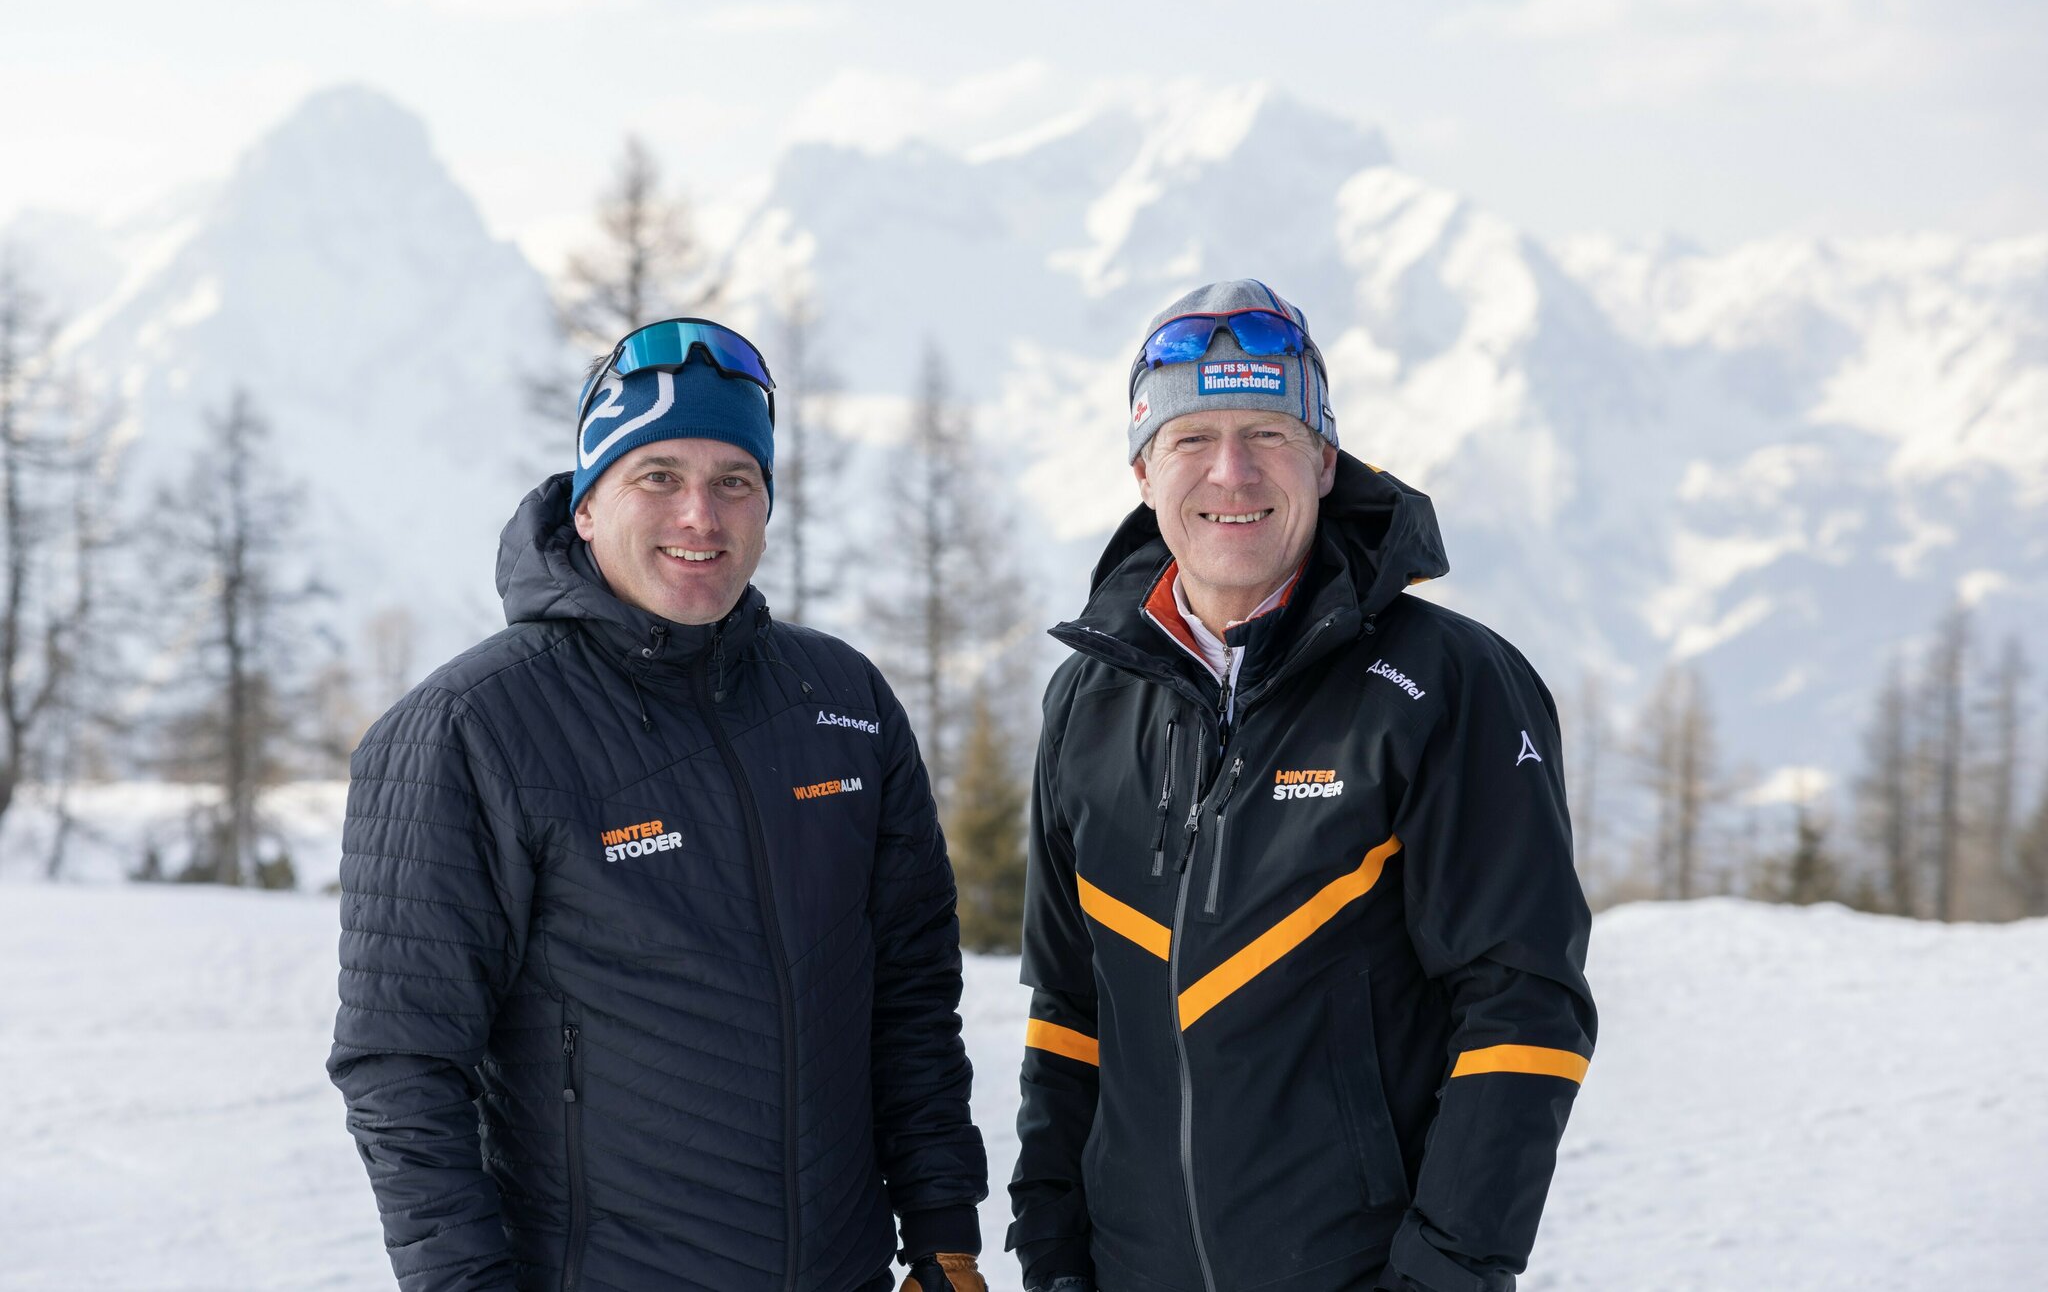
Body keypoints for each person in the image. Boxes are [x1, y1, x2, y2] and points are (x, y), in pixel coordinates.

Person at [328, 317, 989, 1292]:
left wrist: (941, 1233)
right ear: (587, 504)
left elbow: (909, 993)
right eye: (657, 477)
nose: (700, 516)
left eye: (734, 480)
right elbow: (402, 1066)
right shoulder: (471, 728)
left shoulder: (842, 701)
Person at [1007, 282, 1597, 1292]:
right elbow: (1069, 1008)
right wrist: (1054, 1254)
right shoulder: (1087, 702)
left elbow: (1523, 1007)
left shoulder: (1442, 684)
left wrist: (1444, 1277)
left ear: (1323, 461)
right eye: (1192, 437)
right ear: (1143, 469)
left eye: (1267, 434)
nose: (1230, 473)